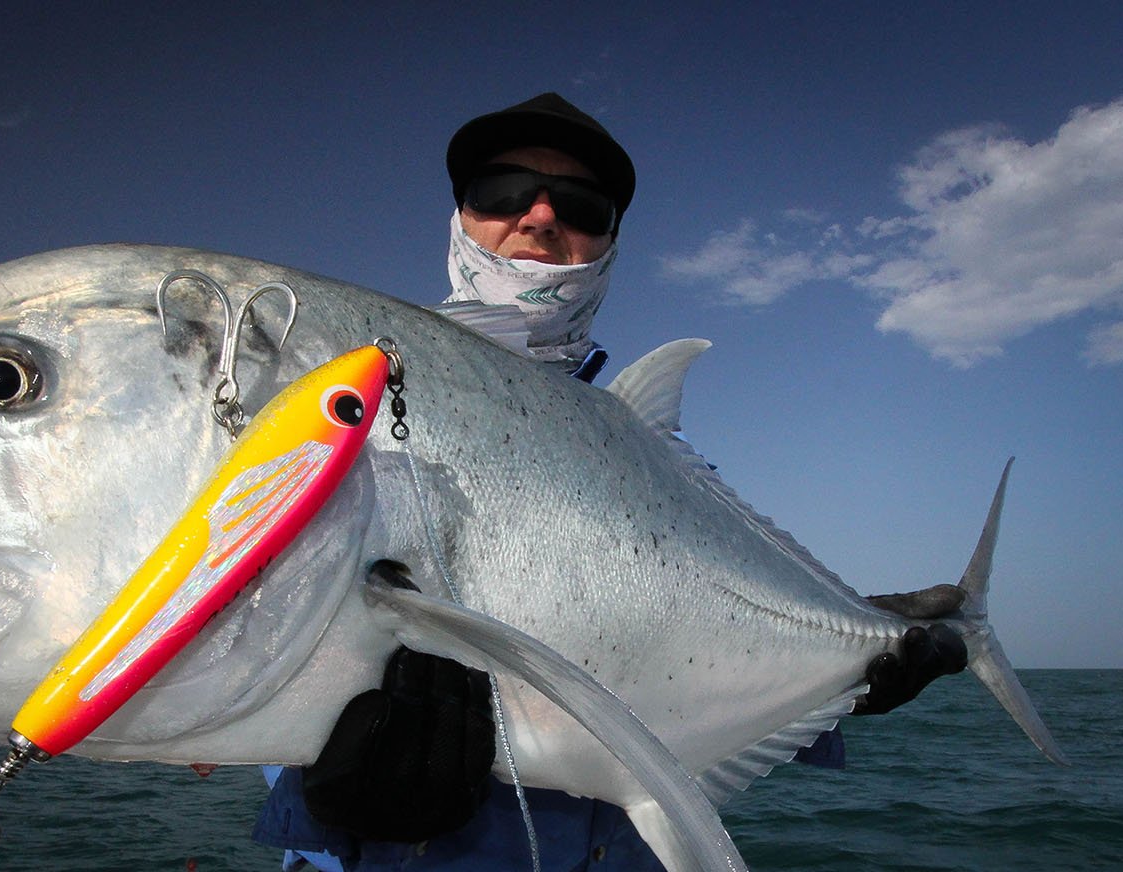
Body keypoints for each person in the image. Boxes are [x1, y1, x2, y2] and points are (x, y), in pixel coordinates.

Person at [252, 93, 967, 871]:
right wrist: (323, 790)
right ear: (459, 219)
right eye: (501, 192)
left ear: (609, 245)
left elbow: (697, 660)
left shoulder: (662, 459)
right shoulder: (348, 393)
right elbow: (245, 624)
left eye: (581, 207)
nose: (539, 218)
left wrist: (846, 676)